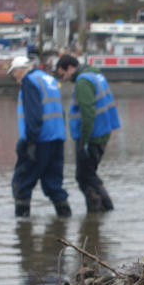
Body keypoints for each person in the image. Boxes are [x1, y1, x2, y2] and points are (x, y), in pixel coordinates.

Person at [55, 54, 120, 212]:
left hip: (92, 136)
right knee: (89, 174)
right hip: (103, 132)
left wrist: (83, 142)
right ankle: (102, 212)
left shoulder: (83, 82)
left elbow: (88, 113)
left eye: (63, 74)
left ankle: (98, 211)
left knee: (84, 177)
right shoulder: (96, 75)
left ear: (70, 67)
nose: (64, 79)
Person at [7, 55, 71, 218]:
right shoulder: (48, 79)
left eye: (14, 74)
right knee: (53, 184)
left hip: (39, 140)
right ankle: (64, 220)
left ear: (20, 70)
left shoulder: (29, 81)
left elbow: (34, 114)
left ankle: (22, 228)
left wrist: (30, 143)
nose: (15, 79)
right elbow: (59, 111)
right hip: (57, 138)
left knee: (22, 182)